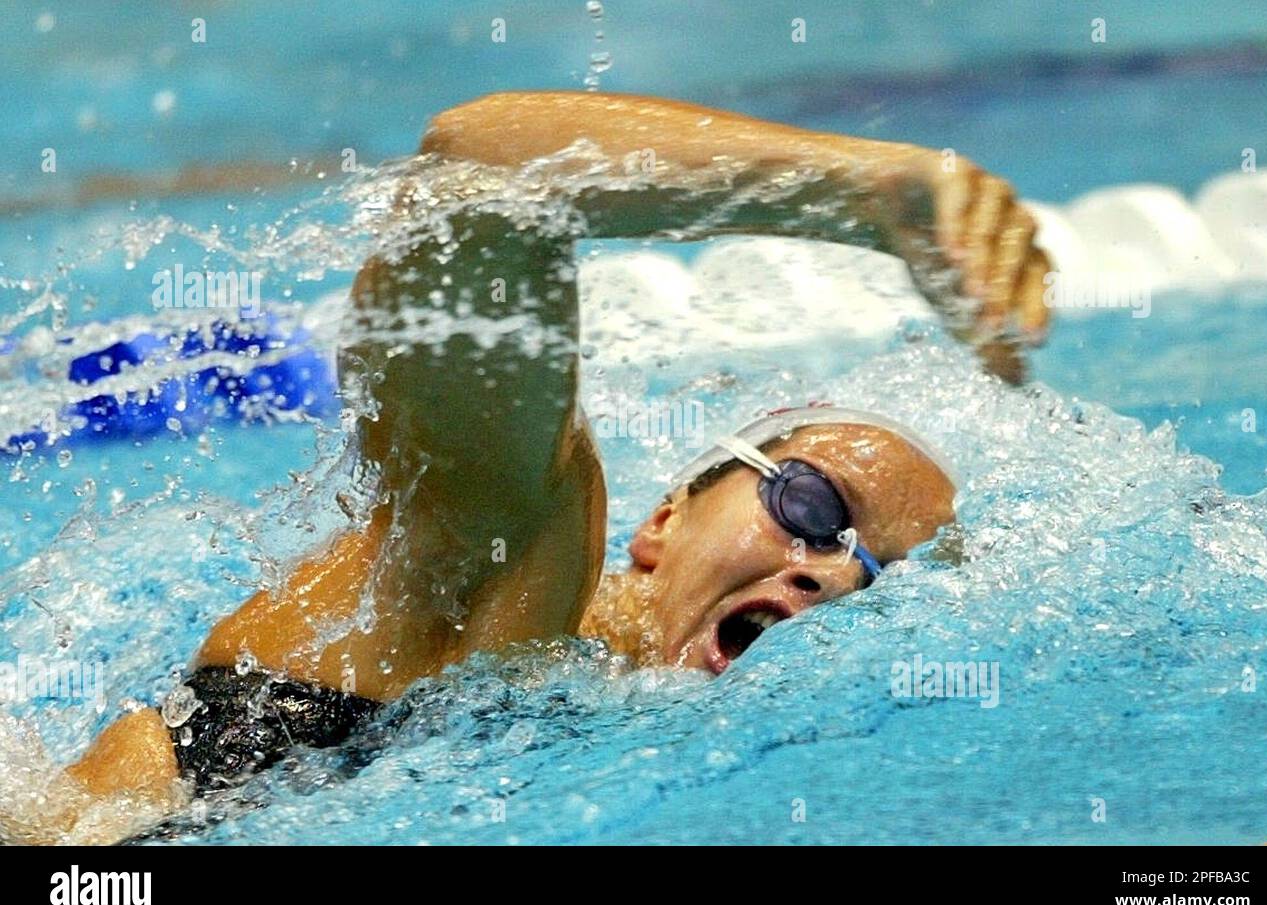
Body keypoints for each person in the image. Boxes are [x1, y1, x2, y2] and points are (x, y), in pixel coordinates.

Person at [12, 92, 1050, 841]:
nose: (831, 569)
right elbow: (482, 171)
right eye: (813, 505)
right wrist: (870, 194)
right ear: (663, 519)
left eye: (879, 576)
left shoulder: (611, 714)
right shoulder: (515, 563)